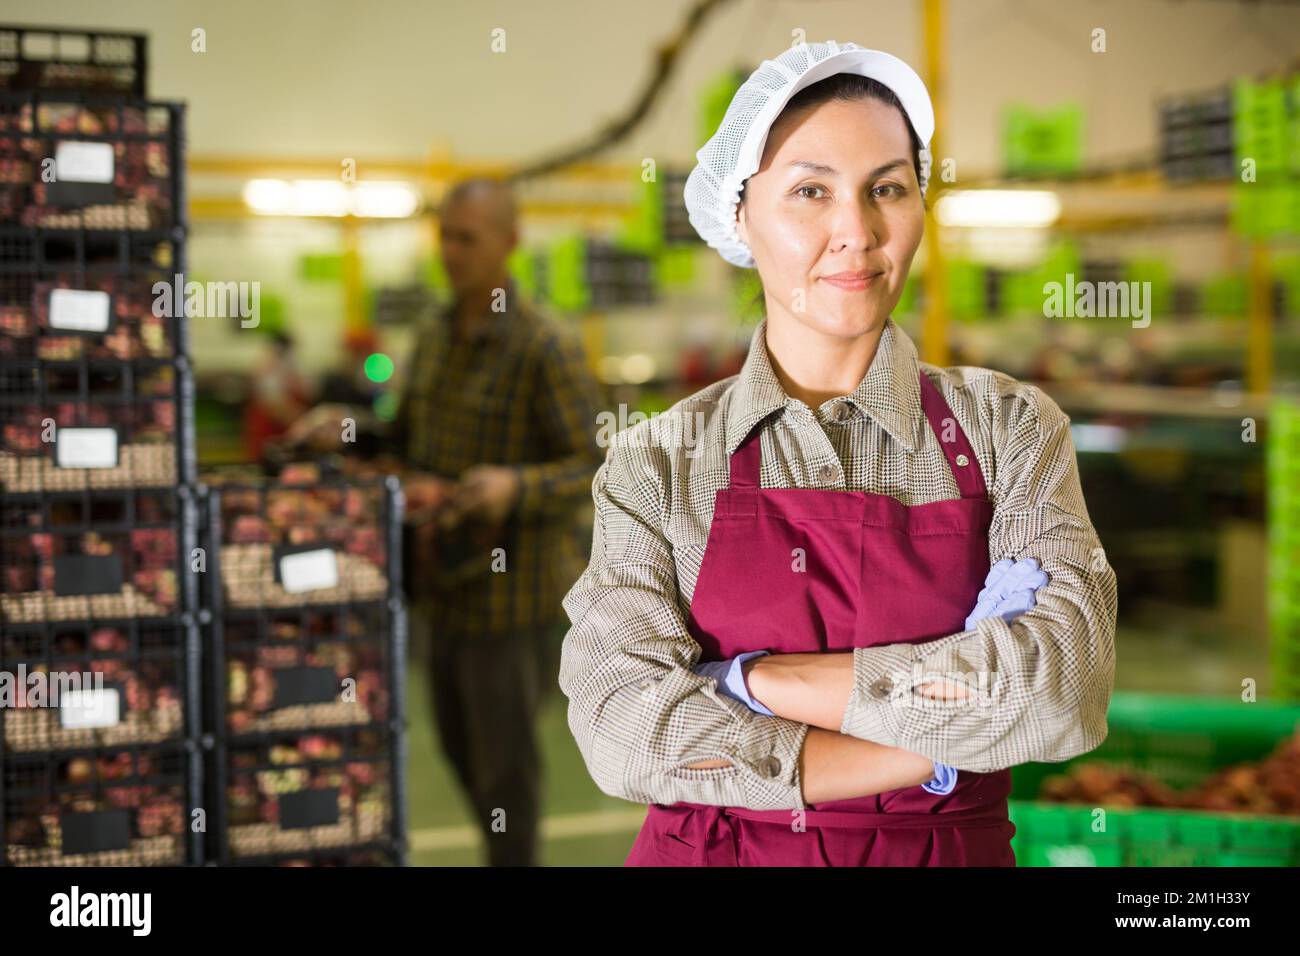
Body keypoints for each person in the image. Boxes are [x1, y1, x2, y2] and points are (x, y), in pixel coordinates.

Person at [558, 40, 1117, 866]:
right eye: (810, 191)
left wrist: (755, 683)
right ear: (741, 216)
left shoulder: (1008, 430)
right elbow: (624, 732)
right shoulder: (660, 462)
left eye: (886, 188)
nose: (855, 232)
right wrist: (929, 749)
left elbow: (1062, 694)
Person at [391, 178, 604, 867]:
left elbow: (595, 465)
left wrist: (515, 486)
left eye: (467, 238)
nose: (451, 252)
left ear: (509, 244)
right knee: (455, 747)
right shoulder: (433, 336)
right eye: (445, 236)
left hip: (511, 605)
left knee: (507, 769)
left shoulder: (546, 346)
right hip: (441, 593)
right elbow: (409, 443)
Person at [243, 329, 312, 462]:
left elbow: (306, 392)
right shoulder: (268, 369)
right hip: (270, 431)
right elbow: (274, 405)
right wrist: (303, 421)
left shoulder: (293, 367)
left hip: (288, 432)